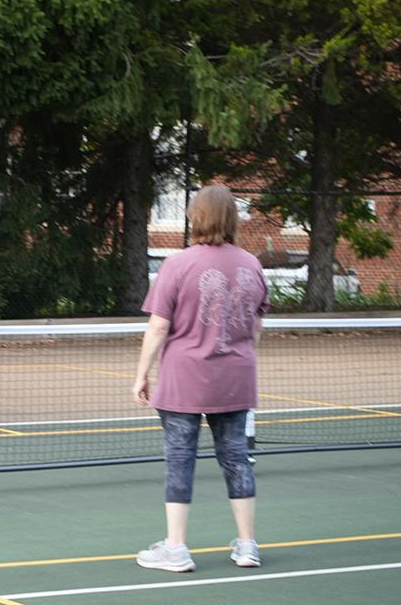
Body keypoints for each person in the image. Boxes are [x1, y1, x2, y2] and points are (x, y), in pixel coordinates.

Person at [131, 184, 268, 572]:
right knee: (237, 459)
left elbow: (158, 328)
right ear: (231, 220)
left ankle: (176, 548)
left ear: (197, 218)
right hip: (235, 380)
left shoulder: (176, 265)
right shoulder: (252, 265)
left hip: (183, 381)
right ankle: (247, 546)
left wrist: (141, 375)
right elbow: (256, 330)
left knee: (179, 460)